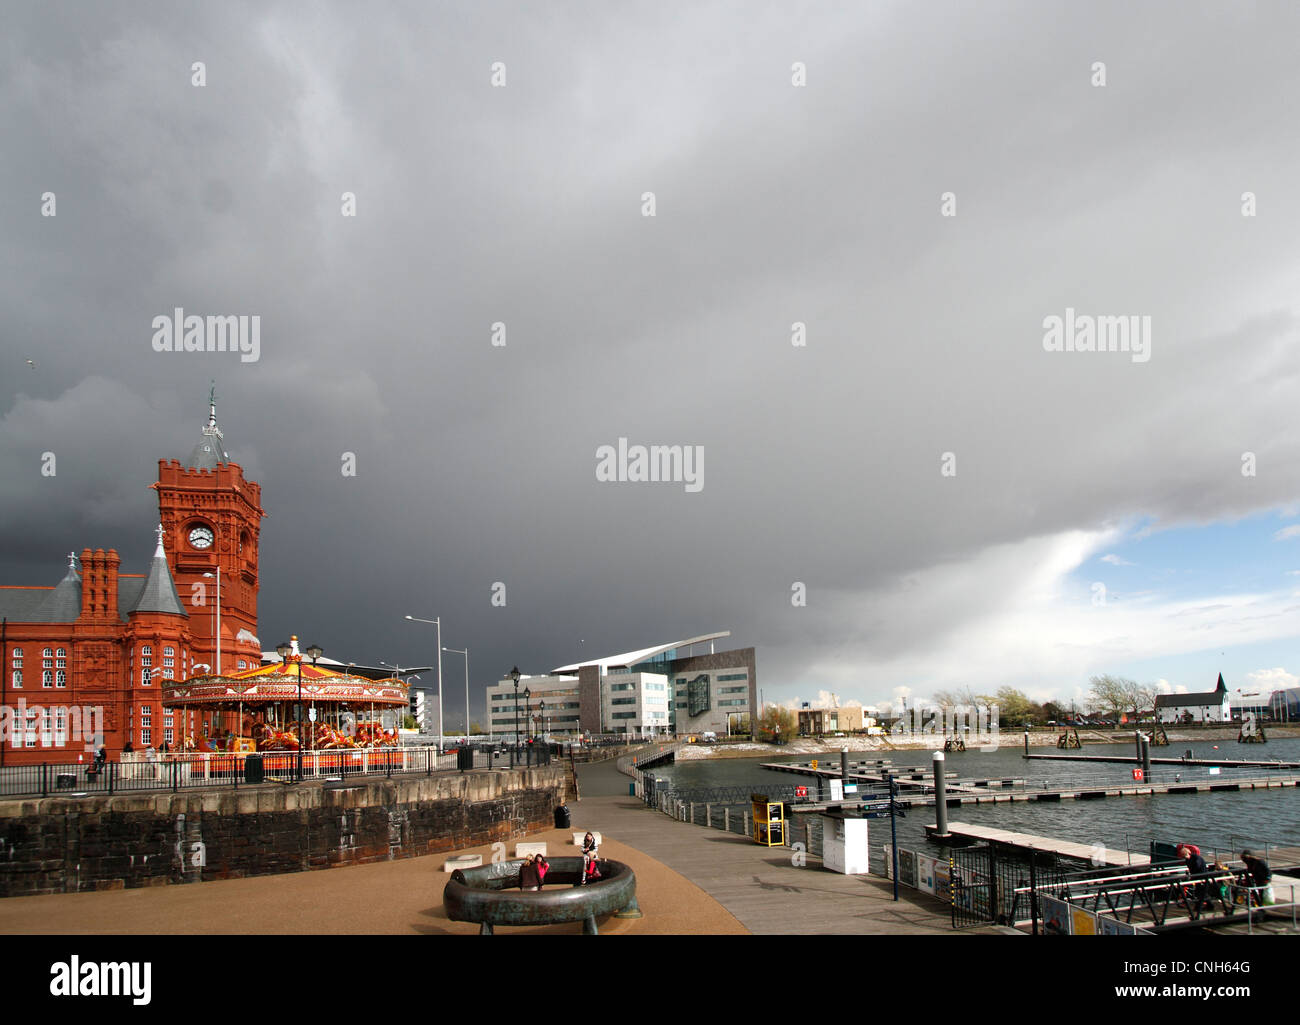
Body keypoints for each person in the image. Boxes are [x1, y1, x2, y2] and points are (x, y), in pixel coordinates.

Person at [1177, 844, 1211, 913]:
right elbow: (1190, 868)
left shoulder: (1196, 858)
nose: (1185, 857)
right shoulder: (1187, 860)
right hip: (1196, 877)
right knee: (1200, 892)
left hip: (1203, 877)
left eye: (1185, 855)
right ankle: (1209, 905)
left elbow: (1197, 866)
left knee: (1201, 893)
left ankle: (1198, 908)